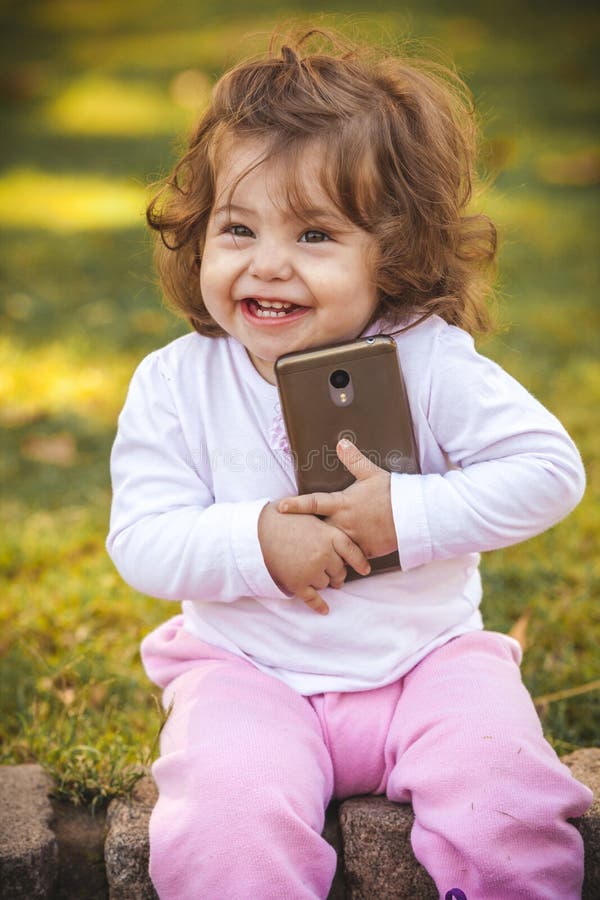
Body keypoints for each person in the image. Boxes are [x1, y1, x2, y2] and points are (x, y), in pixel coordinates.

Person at [107, 28, 592, 899]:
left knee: (506, 801)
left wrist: (406, 515)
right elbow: (141, 538)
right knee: (226, 821)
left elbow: (548, 470)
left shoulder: (430, 359)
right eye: (238, 227)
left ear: (392, 252)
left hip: (431, 664)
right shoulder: (176, 383)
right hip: (247, 673)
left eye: (316, 234)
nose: (267, 263)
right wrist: (257, 542)